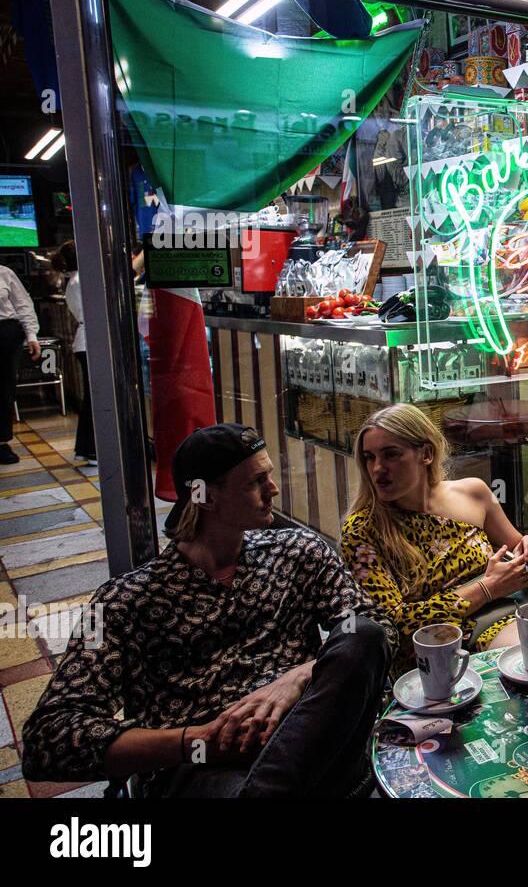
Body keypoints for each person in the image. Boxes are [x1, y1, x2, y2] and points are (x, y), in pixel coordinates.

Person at [21, 424, 395, 797]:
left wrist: (300, 677)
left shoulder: (298, 551)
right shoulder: (126, 601)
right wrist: (197, 741)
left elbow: (372, 626)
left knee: (363, 634)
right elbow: (48, 739)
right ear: (205, 497)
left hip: (313, 734)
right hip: (203, 770)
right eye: (256, 482)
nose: (273, 489)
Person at [340, 403, 528, 679]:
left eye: (391, 454)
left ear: (426, 454)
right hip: (437, 645)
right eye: (369, 457)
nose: (378, 468)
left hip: (503, 614)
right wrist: (487, 588)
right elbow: (393, 623)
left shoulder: (473, 492)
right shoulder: (363, 529)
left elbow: (515, 547)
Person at [51, 241, 95, 464]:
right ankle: (90, 449)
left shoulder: (74, 280)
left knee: (92, 398)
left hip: (86, 342)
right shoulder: (81, 281)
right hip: (90, 343)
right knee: (94, 398)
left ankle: (87, 448)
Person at [0, 261, 41, 465]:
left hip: (6, 332)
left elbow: (23, 304)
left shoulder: (4, 273)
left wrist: (31, 335)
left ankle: (2, 441)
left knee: (5, 389)